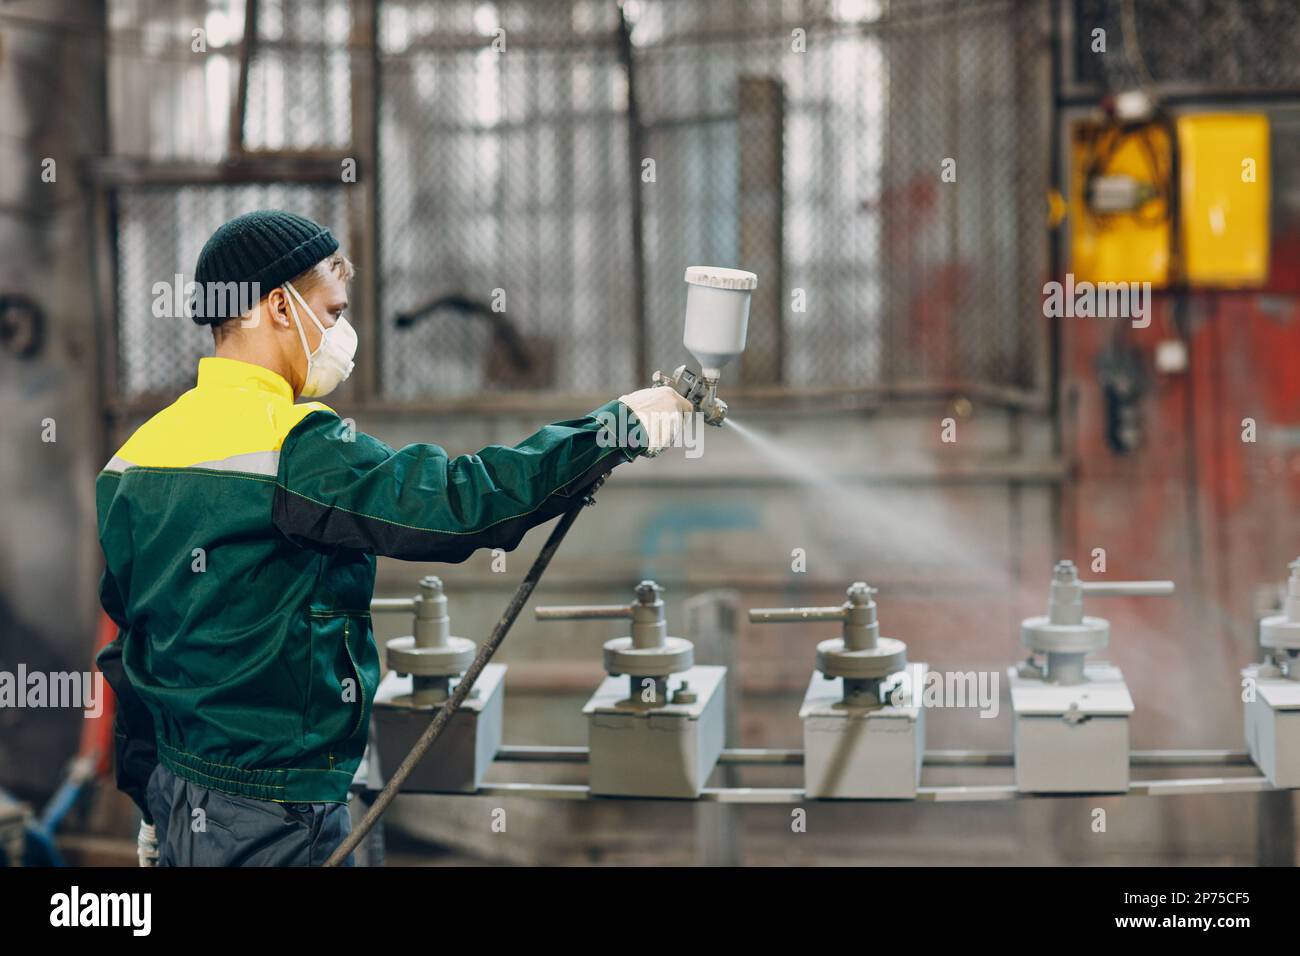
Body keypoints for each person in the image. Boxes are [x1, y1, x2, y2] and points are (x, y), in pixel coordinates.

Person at [95, 210, 690, 866]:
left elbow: (130, 650)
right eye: (332, 311)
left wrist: (149, 801)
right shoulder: (296, 447)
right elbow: (463, 503)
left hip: (180, 793)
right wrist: (611, 430)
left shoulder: (134, 459)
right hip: (275, 813)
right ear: (280, 308)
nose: (341, 335)